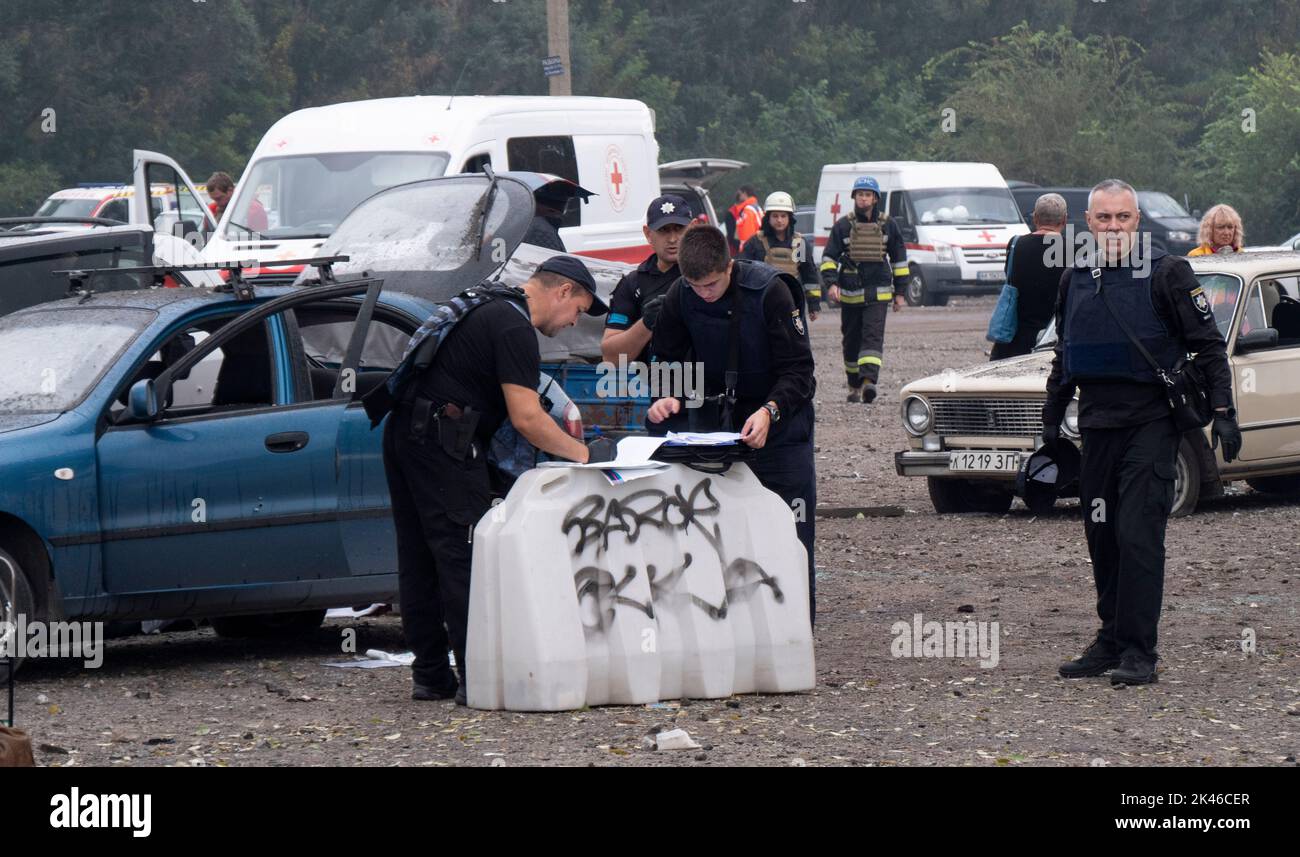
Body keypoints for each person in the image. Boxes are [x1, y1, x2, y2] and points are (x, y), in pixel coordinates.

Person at [384, 256, 613, 704]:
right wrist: (585, 454)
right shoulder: (513, 327)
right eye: (578, 311)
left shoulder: (485, 304)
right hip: (443, 440)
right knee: (463, 557)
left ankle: (431, 674)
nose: (573, 324)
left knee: (419, 556)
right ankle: (479, 678)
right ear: (562, 291)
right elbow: (527, 418)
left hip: (405, 434)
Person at [1044, 179, 1241, 686]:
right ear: (1088, 222)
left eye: (1123, 218)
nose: (1113, 227)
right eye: (1104, 218)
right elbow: (1064, 355)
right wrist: (1051, 418)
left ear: (1138, 221)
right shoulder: (1074, 278)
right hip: (1097, 425)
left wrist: (1224, 410)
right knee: (1101, 533)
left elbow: (1209, 346)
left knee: (1138, 534)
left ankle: (1139, 650)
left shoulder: (1169, 273)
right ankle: (1110, 638)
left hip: (1152, 423)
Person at [647, 226, 818, 623]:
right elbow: (667, 362)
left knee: (788, 537)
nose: (704, 293)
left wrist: (770, 411)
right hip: (715, 431)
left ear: (729, 266)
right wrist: (670, 395)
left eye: (711, 284)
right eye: (695, 286)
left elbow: (800, 372)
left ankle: (794, 632)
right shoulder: (681, 295)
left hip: (779, 430)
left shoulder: (770, 291)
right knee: (716, 536)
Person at [818, 176, 909, 403]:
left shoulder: (889, 225)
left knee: (872, 336)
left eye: (868, 194)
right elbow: (828, 257)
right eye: (860, 194)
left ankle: (869, 381)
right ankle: (854, 384)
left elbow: (899, 260)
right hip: (849, 293)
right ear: (854, 198)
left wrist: (900, 293)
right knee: (851, 341)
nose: (863, 198)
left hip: (878, 292)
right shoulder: (843, 226)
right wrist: (831, 284)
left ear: (875, 198)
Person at [601, 194, 694, 365]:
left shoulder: (709, 275)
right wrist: (646, 323)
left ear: (693, 228)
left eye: (679, 228)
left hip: (706, 384)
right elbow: (610, 357)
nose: (673, 239)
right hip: (654, 384)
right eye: (664, 230)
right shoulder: (633, 283)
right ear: (648, 234)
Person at [990, 193, 1069, 359]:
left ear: (1035, 218)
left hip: (1016, 340)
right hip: (1057, 338)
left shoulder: (1016, 245)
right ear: (1064, 220)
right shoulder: (1075, 249)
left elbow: (1010, 277)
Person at [739, 191, 821, 321]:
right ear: (768, 217)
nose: (779, 220)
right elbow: (743, 274)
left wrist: (814, 305)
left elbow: (809, 274)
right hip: (763, 302)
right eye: (775, 216)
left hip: (793, 302)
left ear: (790, 218)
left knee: (795, 339)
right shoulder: (755, 242)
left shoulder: (799, 243)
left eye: (783, 216)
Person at [728, 185, 763, 254]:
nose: (738, 196)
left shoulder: (748, 210)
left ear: (744, 193)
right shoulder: (757, 208)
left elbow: (747, 235)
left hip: (749, 251)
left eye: (739, 194)